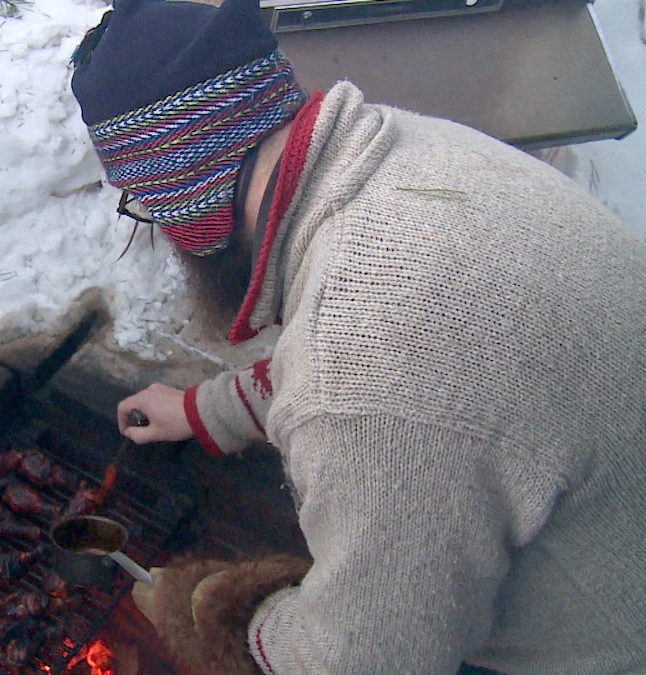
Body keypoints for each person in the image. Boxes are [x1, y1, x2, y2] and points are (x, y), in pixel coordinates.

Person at [68, 0, 646, 673]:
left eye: (145, 203)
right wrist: (205, 410)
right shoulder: (398, 148)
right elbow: (409, 366)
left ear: (186, 198)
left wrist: (206, 607)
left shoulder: (363, 361)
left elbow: (361, 658)